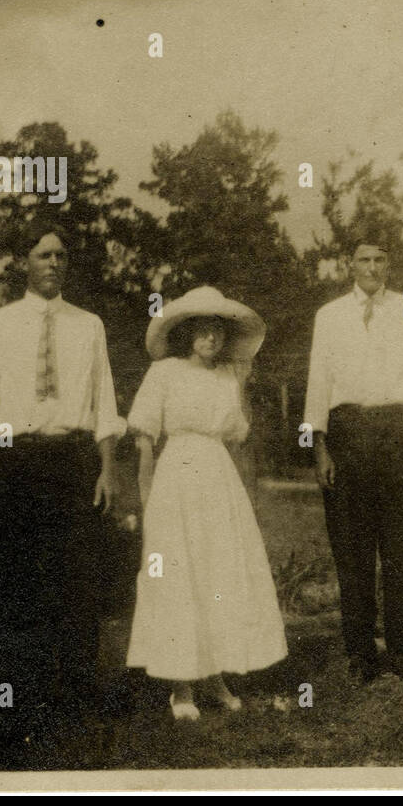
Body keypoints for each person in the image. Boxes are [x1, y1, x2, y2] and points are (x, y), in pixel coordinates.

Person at [0, 216, 124, 745]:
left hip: (74, 461)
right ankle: (22, 699)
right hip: (16, 463)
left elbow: (104, 403)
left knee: (77, 582)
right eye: (44, 255)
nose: (54, 263)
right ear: (23, 264)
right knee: (21, 585)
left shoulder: (89, 324)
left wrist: (106, 468)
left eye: (60, 256)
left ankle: (79, 698)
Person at [125, 286, 288, 720]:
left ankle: (214, 676)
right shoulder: (164, 373)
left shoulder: (227, 380)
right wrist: (144, 494)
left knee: (218, 573)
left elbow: (237, 437)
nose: (211, 337)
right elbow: (145, 438)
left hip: (218, 478)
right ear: (186, 333)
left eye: (218, 330)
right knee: (180, 573)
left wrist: (245, 495)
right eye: (202, 328)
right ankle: (181, 688)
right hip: (177, 475)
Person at [304, 238, 403, 685]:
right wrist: (319, 448)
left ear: (388, 264)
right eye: (363, 259)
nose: (371, 267)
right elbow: (317, 385)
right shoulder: (329, 317)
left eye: (379, 260)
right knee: (353, 553)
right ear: (350, 266)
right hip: (347, 434)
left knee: (402, 552)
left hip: (399, 434)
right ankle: (361, 656)